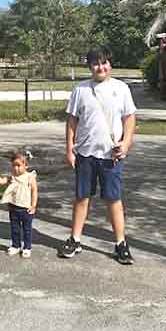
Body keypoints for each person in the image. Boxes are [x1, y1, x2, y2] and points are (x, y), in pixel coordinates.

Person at [58, 45, 137, 265]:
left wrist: (126, 143)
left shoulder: (121, 88)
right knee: (82, 197)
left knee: (114, 199)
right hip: (85, 154)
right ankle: (75, 239)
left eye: (104, 63)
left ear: (110, 64)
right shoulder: (80, 90)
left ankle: (121, 243)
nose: (100, 67)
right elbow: (72, 121)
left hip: (111, 156)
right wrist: (69, 149)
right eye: (95, 63)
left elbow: (129, 118)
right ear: (90, 67)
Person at [0, 149, 38, 258]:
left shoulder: (30, 177)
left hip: (26, 209)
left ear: (26, 166)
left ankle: (27, 247)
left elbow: (34, 191)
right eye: (13, 165)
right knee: (15, 228)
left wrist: (33, 205)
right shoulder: (11, 177)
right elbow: (1, 181)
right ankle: (15, 245)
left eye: (18, 165)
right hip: (13, 207)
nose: (16, 168)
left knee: (27, 229)